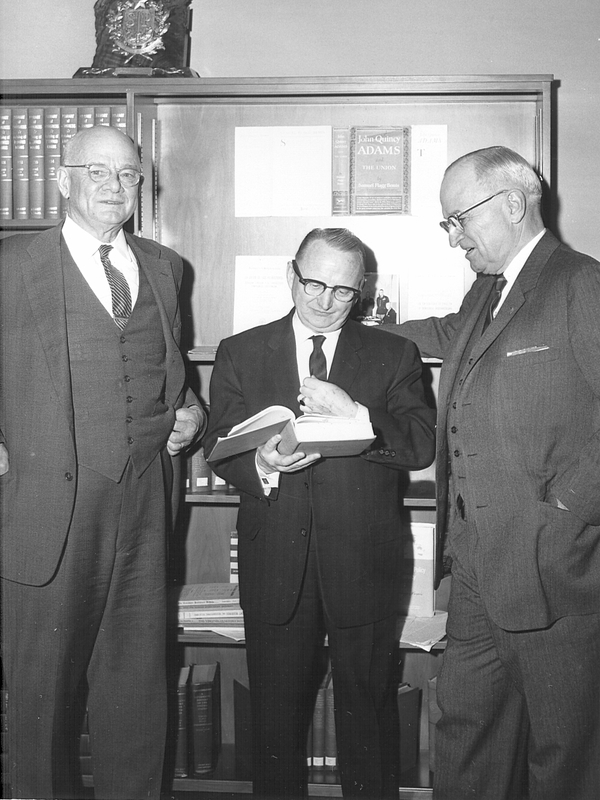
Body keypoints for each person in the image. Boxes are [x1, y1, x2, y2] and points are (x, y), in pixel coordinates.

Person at [0, 125, 206, 800]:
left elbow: (172, 378)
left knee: (136, 695)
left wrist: (192, 415)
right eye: (98, 172)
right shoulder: (10, 266)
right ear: (63, 180)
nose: (116, 188)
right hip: (45, 515)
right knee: (42, 703)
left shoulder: (166, 268)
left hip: (144, 507)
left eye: (128, 175)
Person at [390, 146, 600, 800]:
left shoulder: (579, 284)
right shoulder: (488, 290)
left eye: (459, 220)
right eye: (447, 225)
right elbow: (446, 333)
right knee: (465, 736)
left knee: (561, 756)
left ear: (513, 203)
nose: (454, 238)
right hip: (475, 566)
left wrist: (565, 515)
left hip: (553, 570)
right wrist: (355, 332)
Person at [204, 227, 435, 799]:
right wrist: (263, 461)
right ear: (291, 275)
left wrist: (358, 414)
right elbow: (217, 445)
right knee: (275, 726)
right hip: (276, 564)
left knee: (369, 719)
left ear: (361, 293)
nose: (324, 301)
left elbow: (420, 445)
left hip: (365, 565)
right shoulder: (241, 350)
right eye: (313, 283)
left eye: (342, 291)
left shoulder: (393, 353)